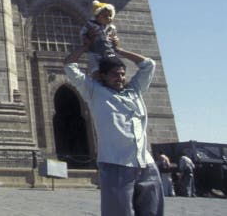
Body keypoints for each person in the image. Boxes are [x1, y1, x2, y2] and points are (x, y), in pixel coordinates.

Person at [64, 33, 163, 216]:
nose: (120, 78)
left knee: (153, 211)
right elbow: (69, 66)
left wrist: (119, 51)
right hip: (116, 163)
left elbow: (149, 64)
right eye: (115, 75)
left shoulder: (134, 91)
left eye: (122, 74)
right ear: (103, 76)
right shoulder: (94, 92)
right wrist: (85, 47)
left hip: (146, 164)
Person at [80, 0, 119, 77]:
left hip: (108, 51)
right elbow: (82, 33)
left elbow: (114, 37)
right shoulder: (91, 25)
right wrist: (86, 40)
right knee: (95, 68)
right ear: (96, 16)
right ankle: (96, 78)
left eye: (110, 16)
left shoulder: (111, 28)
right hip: (95, 51)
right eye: (105, 16)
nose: (109, 18)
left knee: (112, 66)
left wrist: (115, 40)